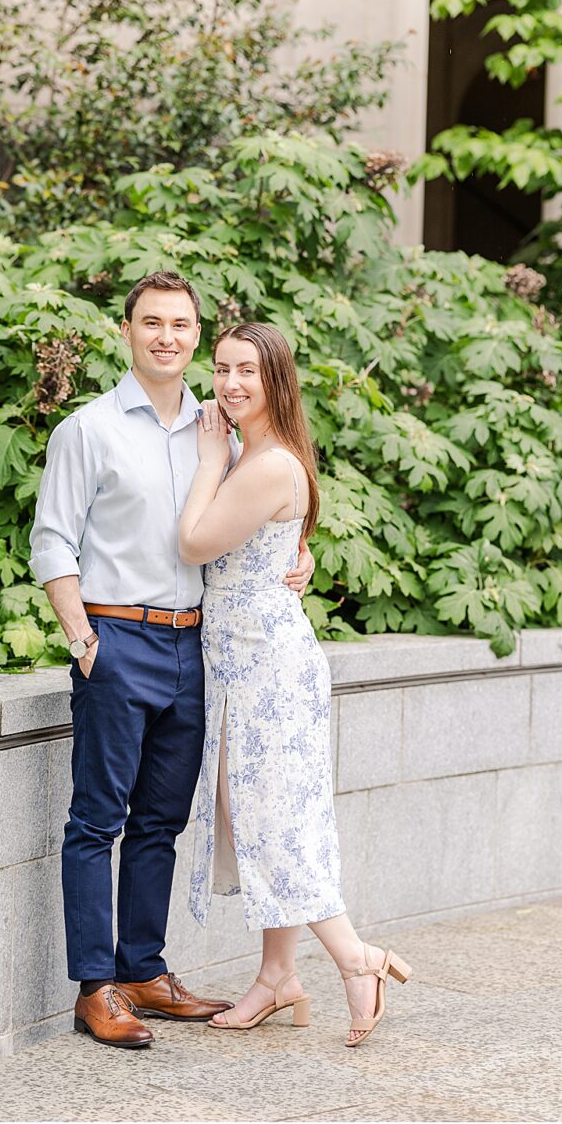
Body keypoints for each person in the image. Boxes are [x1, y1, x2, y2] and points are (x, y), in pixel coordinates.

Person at [31, 272, 313, 1049]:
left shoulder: (216, 424)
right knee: (97, 819)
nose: (167, 336)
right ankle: (97, 988)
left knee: (161, 820)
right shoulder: (87, 431)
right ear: (126, 331)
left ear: (196, 336)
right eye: (151, 322)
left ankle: (145, 971)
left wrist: (301, 558)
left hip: (196, 644)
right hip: (117, 639)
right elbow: (52, 540)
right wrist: (82, 639)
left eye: (181, 325)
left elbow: (261, 510)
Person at [179, 321, 410, 1045]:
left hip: (267, 666)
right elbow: (277, 549)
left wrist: (210, 457)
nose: (230, 384)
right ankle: (279, 975)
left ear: (277, 378)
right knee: (259, 812)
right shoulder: (265, 455)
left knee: (271, 818)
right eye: (221, 369)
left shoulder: (264, 462)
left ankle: (355, 958)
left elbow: (194, 542)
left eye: (247, 370)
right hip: (248, 660)